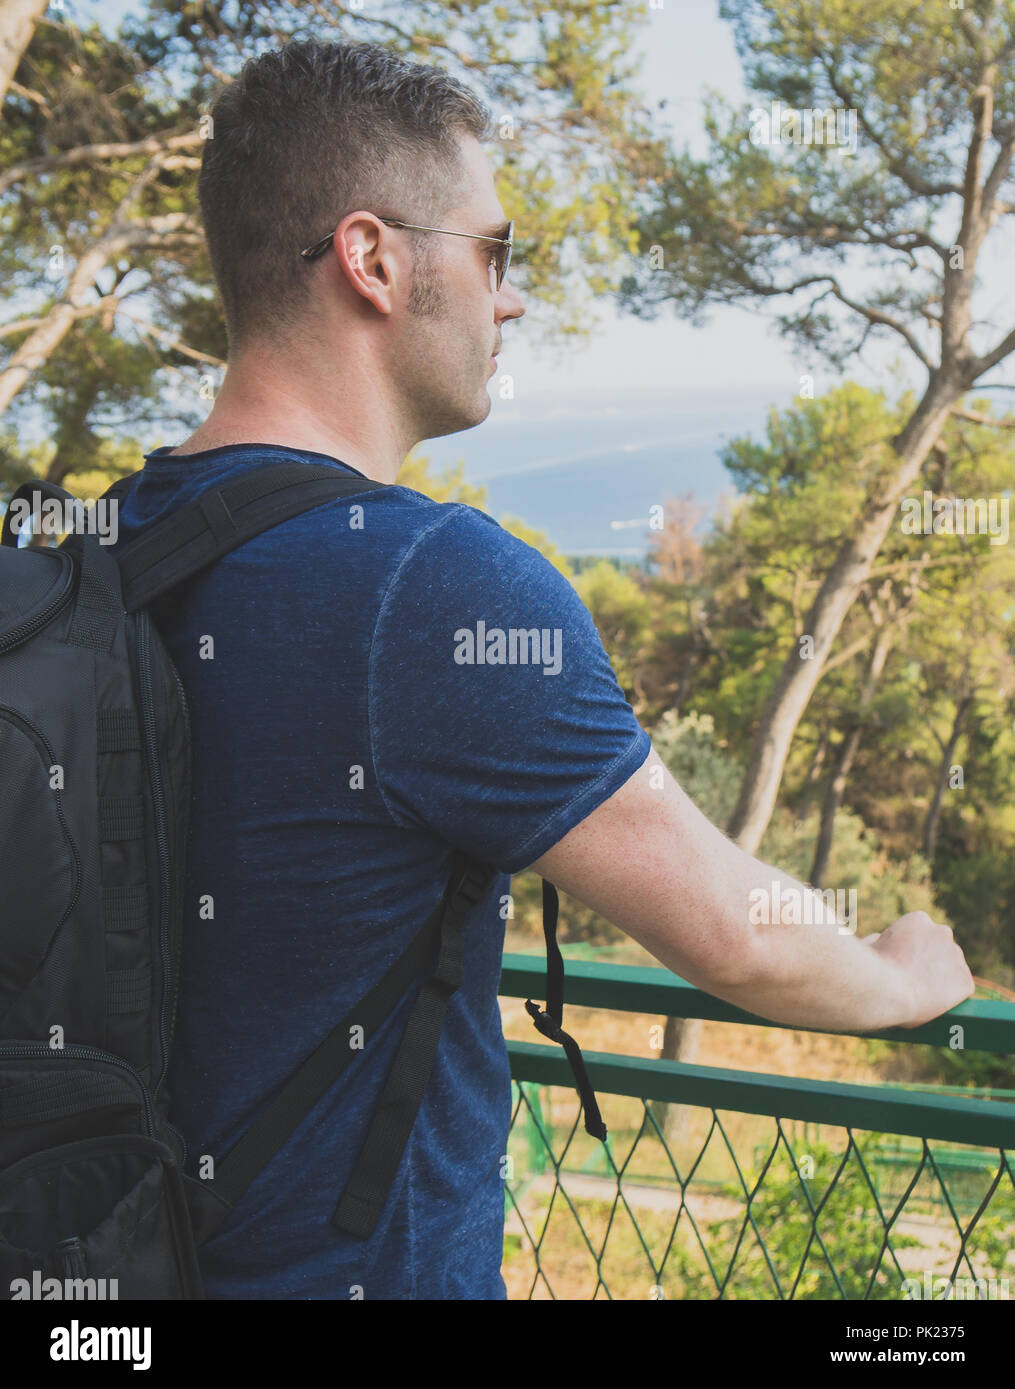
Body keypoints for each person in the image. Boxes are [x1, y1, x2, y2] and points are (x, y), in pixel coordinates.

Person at [109, 37, 974, 1300]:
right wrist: (902, 979)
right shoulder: (430, 583)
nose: (512, 298)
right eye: (496, 252)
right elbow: (733, 930)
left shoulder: (98, 545)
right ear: (374, 260)